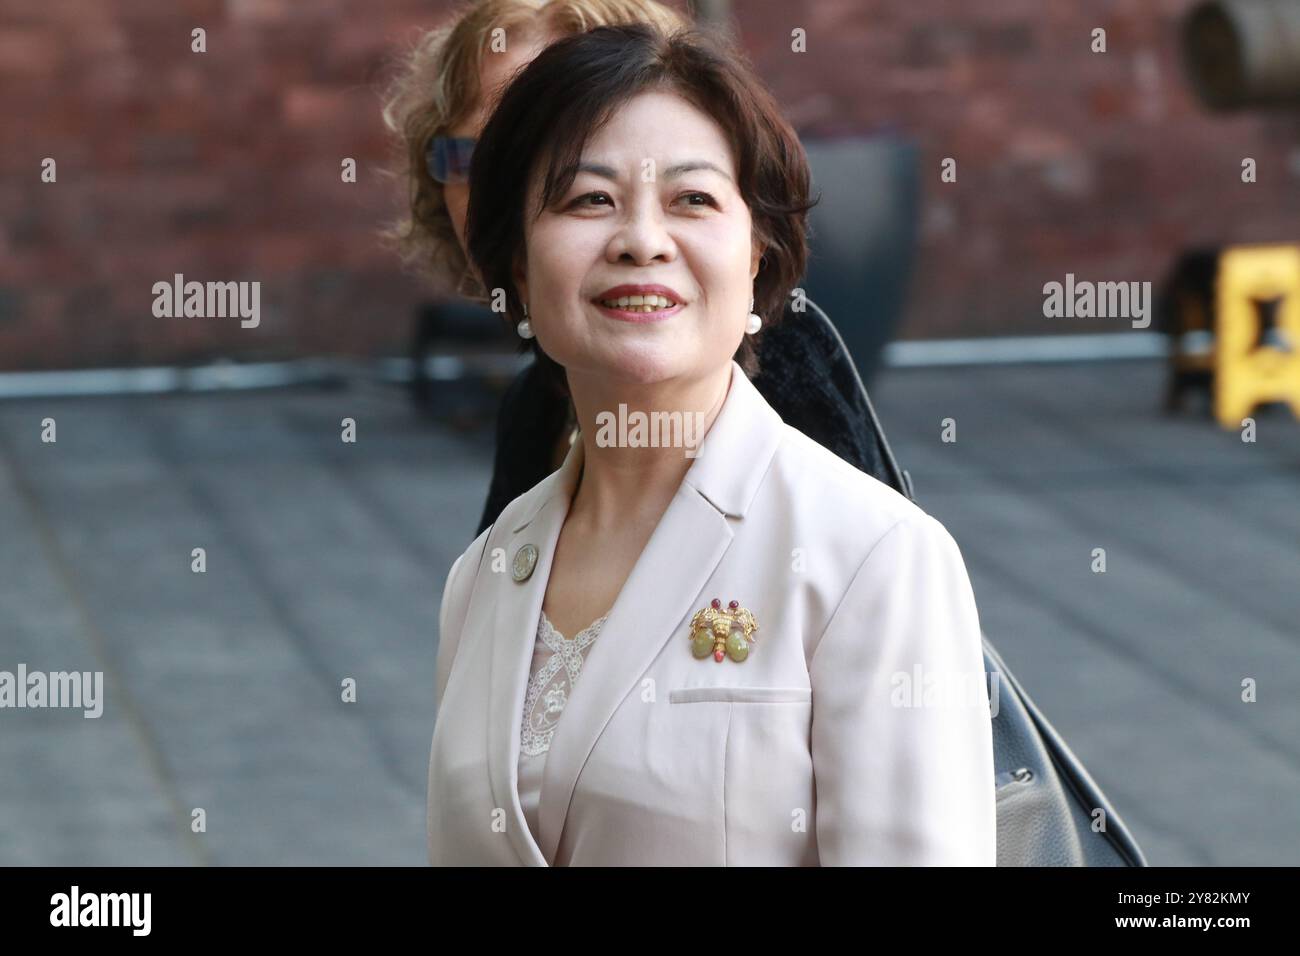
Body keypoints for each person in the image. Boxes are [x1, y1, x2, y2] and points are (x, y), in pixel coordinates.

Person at [426, 23, 996, 866]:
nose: (642, 240)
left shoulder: (874, 557)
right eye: (589, 200)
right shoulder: (484, 573)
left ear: (758, 255)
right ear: (514, 261)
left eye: (692, 200)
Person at [380, 0, 893, 541]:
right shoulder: (537, 398)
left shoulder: (774, 370)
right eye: (481, 154)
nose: (509, 187)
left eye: (562, 151)